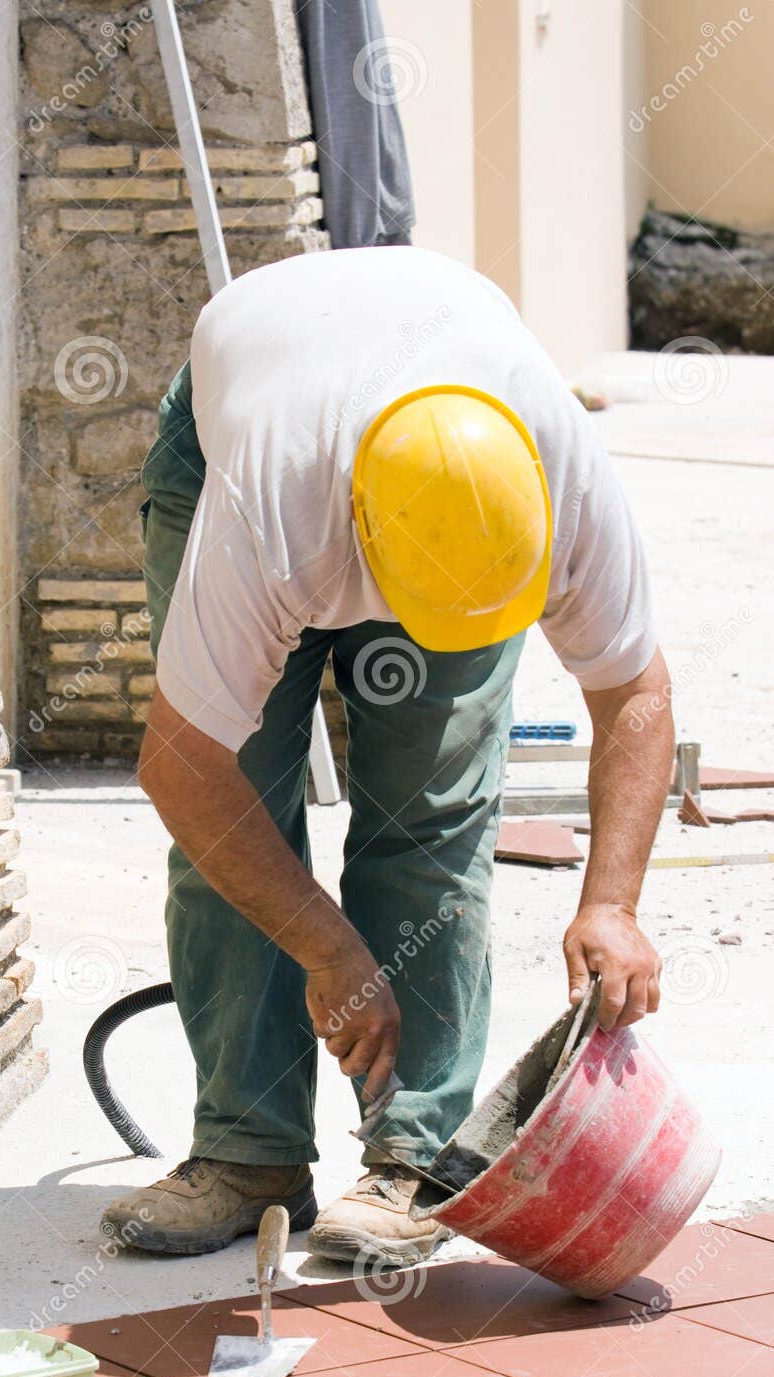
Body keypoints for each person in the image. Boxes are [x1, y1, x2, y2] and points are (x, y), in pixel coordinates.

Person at [101, 246, 671, 1265]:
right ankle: (248, 1155)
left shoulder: (549, 478)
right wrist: (328, 950)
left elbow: (632, 692)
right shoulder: (268, 515)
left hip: (426, 426)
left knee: (433, 812)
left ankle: (411, 1156)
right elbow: (185, 771)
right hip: (250, 424)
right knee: (237, 817)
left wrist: (610, 904)